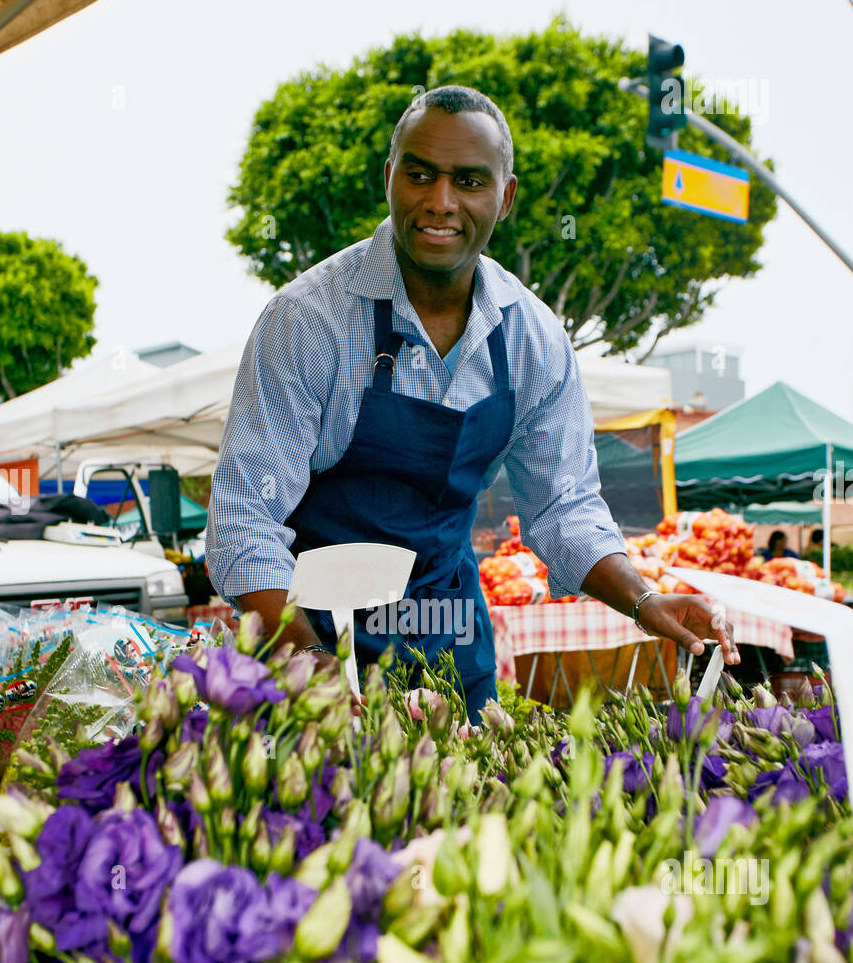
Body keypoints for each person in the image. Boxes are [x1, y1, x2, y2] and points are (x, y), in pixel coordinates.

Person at [206, 85, 737, 720]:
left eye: (470, 181)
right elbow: (243, 523)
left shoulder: (532, 338)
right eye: (420, 174)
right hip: (310, 627)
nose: (441, 202)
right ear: (390, 178)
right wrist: (305, 662)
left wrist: (645, 601)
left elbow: (564, 507)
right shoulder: (309, 319)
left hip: (447, 632)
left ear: (505, 197)